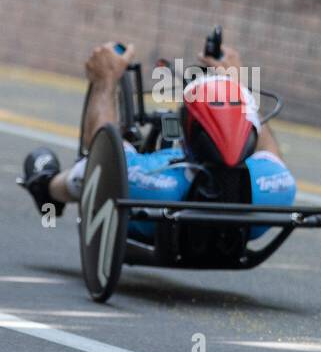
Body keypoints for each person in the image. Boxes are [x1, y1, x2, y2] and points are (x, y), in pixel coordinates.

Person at [18, 41, 295, 231]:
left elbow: (103, 152)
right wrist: (236, 87)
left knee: (83, 171)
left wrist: (106, 81)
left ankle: (46, 188)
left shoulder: (153, 182)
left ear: (187, 130)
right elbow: (268, 153)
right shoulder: (278, 186)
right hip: (244, 219)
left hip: (157, 211)